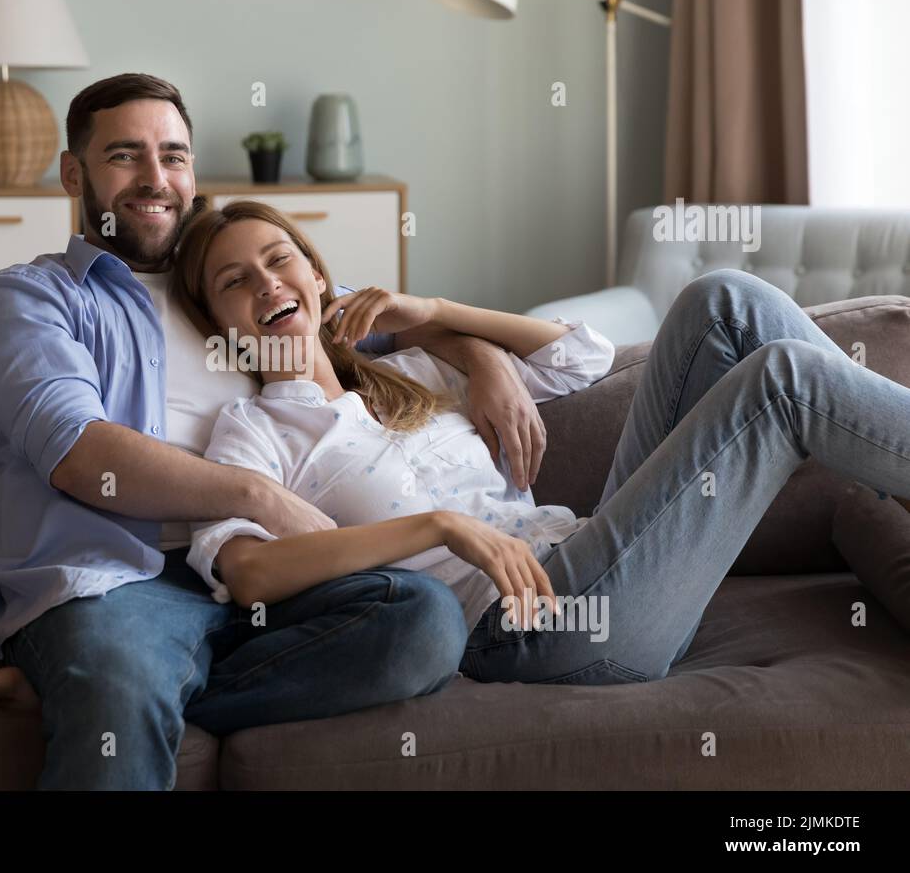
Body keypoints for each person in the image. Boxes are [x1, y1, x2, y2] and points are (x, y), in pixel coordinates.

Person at [0, 73, 555, 790]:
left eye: (173, 155)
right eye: (125, 157)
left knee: (422, 617)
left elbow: (379, 328)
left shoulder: (229, 278)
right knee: (121, 679)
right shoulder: (28, 299)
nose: (155, 178)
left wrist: (486, 362)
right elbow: (80, 453)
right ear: (74, 174)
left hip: (269, 576)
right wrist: (261, 497)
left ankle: (104, 688)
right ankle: (111, 685)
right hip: (120, 583)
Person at [164, 199, 910, 690]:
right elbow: (251, 573)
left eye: (278, 259)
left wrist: (438, 315)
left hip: (598, 556)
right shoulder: (251, 433)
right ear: (217, 324)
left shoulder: (412, 370)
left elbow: (583, 358)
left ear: (319, 277)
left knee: (722, 299)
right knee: (785, 379)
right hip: (532, 628)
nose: (265, 284)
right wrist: (436, 528)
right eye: (235, 281)